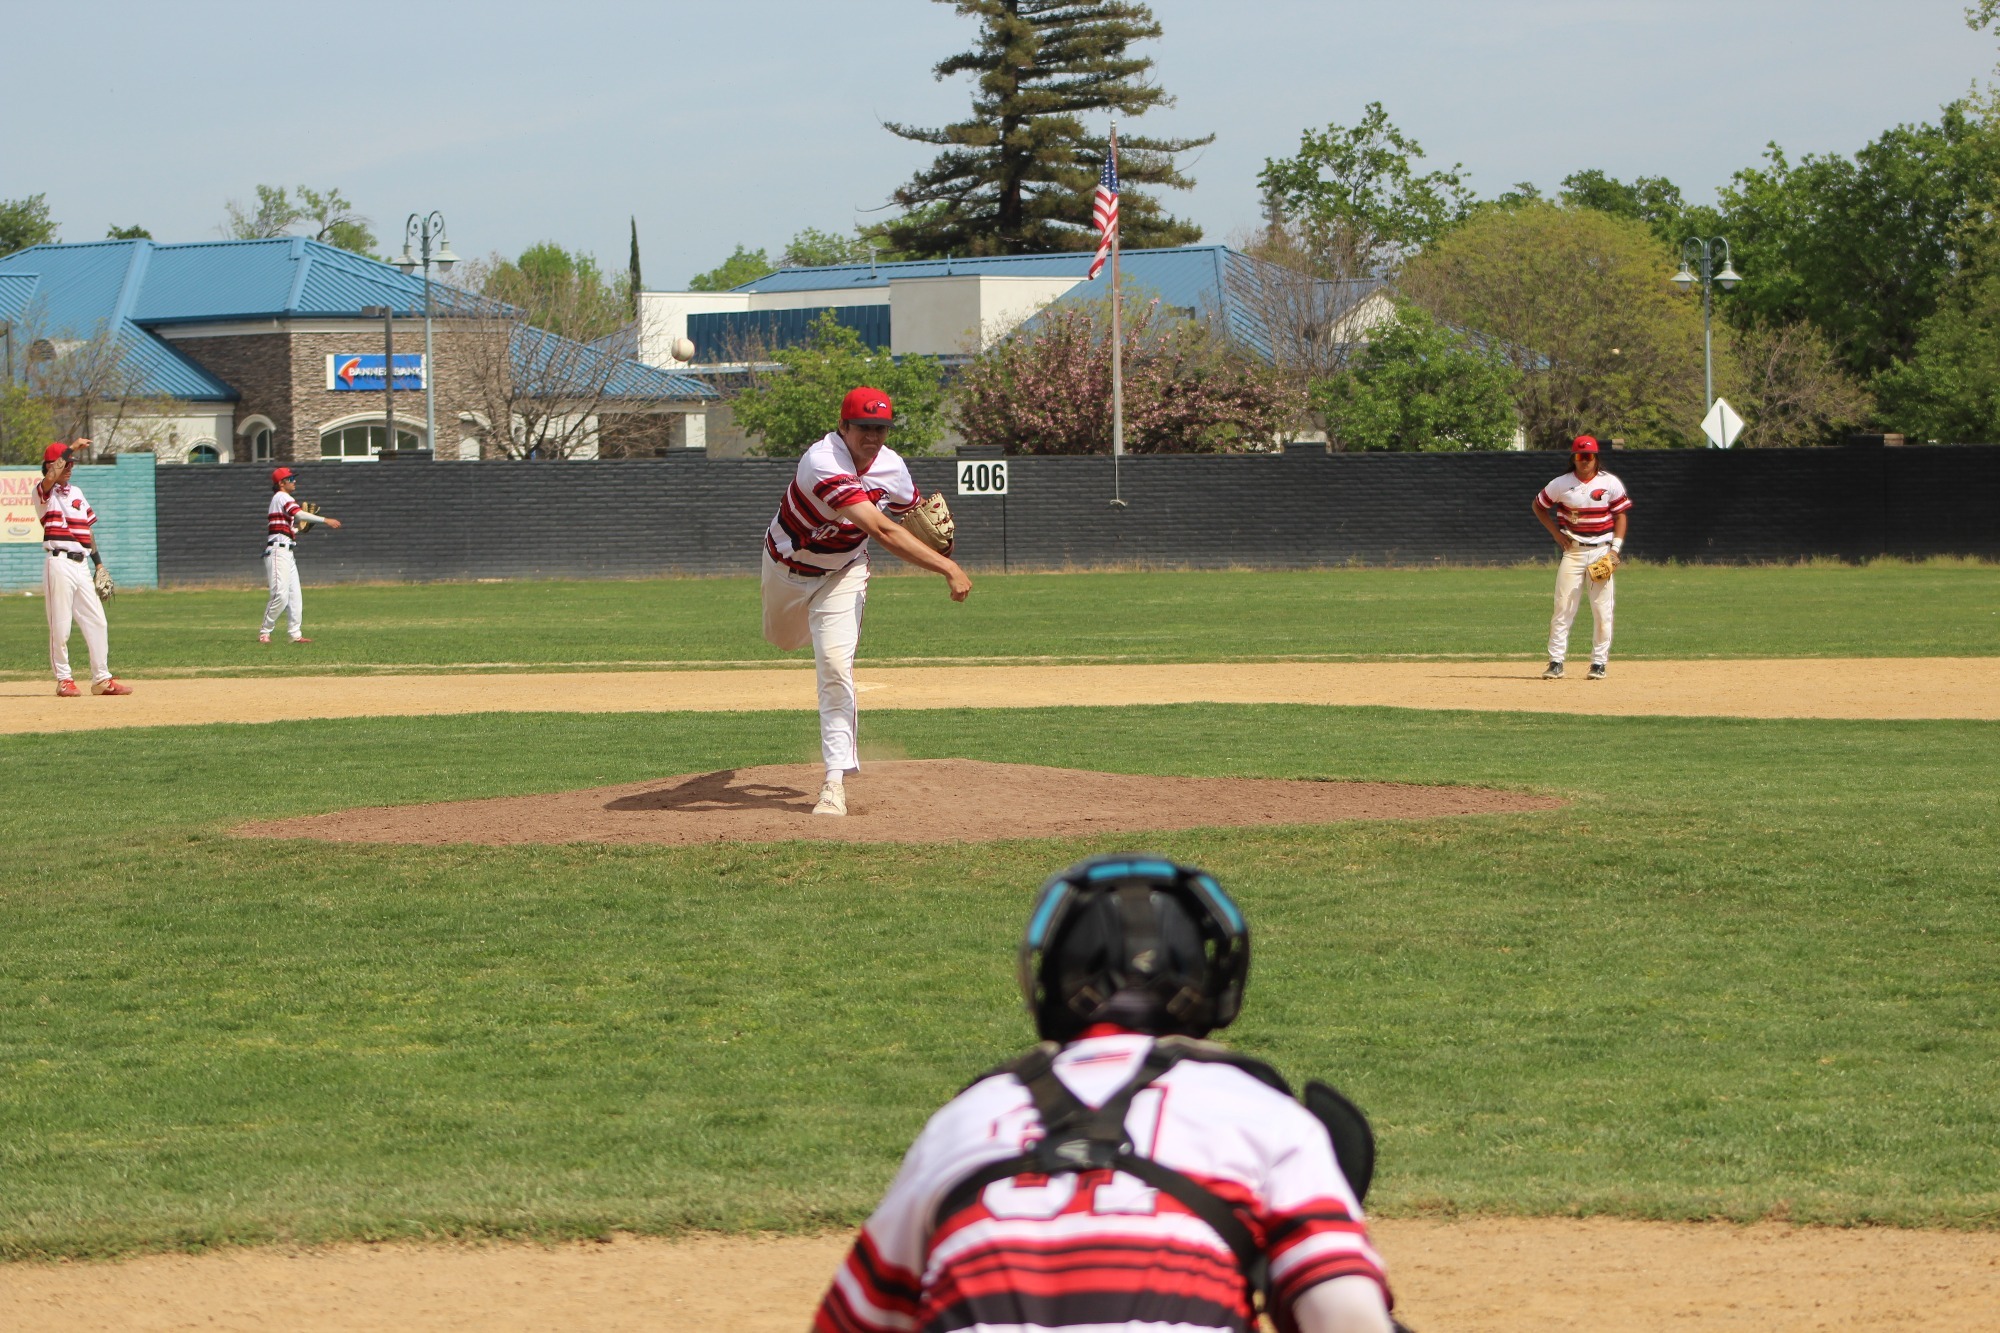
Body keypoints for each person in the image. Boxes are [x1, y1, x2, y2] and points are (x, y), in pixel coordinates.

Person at [813, 855, 1398, 1333]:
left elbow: (851, 1322)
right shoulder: (1263, 1114)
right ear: (1215, 976)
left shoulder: (961, 1122)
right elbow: (1347, 1320)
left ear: (1047, 982)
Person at [762, 386, 970, 816]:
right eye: (864, 427)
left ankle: (833, 783)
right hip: (785, 569)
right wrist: (947, 569)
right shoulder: (822, 461)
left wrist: (937, 543)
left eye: (881, 428)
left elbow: (910, 513)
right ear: (843, 426)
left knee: (836, 666)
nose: (873, 436)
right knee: (782, 641)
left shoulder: (891, 466)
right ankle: (808, 628)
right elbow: (884, 530)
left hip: (843, 572)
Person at [35, 440, 132, 698]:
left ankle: (101, 679)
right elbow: (51, 477)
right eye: (64, 463)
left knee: (97, 621)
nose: (69, 467)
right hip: (58, 562)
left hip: (81, 565)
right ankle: (64, 679)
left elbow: (87, 532)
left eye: (71, 464)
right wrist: (71, 449)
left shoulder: (76, 492)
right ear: (50, 466)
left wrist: (98, 563)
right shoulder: (44, 492)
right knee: (61, 625)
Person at [1531, 434, 1632, 680]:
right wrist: (1556, 534)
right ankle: (1556, 662)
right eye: (1580, 456)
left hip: (1601, 551)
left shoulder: (1610, 483)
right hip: (1574, 551)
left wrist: (1615, 551)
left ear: (1596, 458)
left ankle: (1599, 663)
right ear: (1573, 458)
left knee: (1602, 610)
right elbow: (1538, 505)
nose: (1584, 461)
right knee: (1563, 606)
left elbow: (1620, 516)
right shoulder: (1561, 484)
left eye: (1589, 456)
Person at [260, 466, 341, 643]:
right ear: (281, 483)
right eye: (290, 479)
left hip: (287, 551)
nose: (294, 481)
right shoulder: (282, 496)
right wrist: (324, 520)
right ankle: (265, 631)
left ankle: (295, 634)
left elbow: (288, 526)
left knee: (295, 596)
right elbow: (298, 513)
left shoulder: (282, 499)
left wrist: (299, 530)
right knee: (280, 595)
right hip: (277, 551)